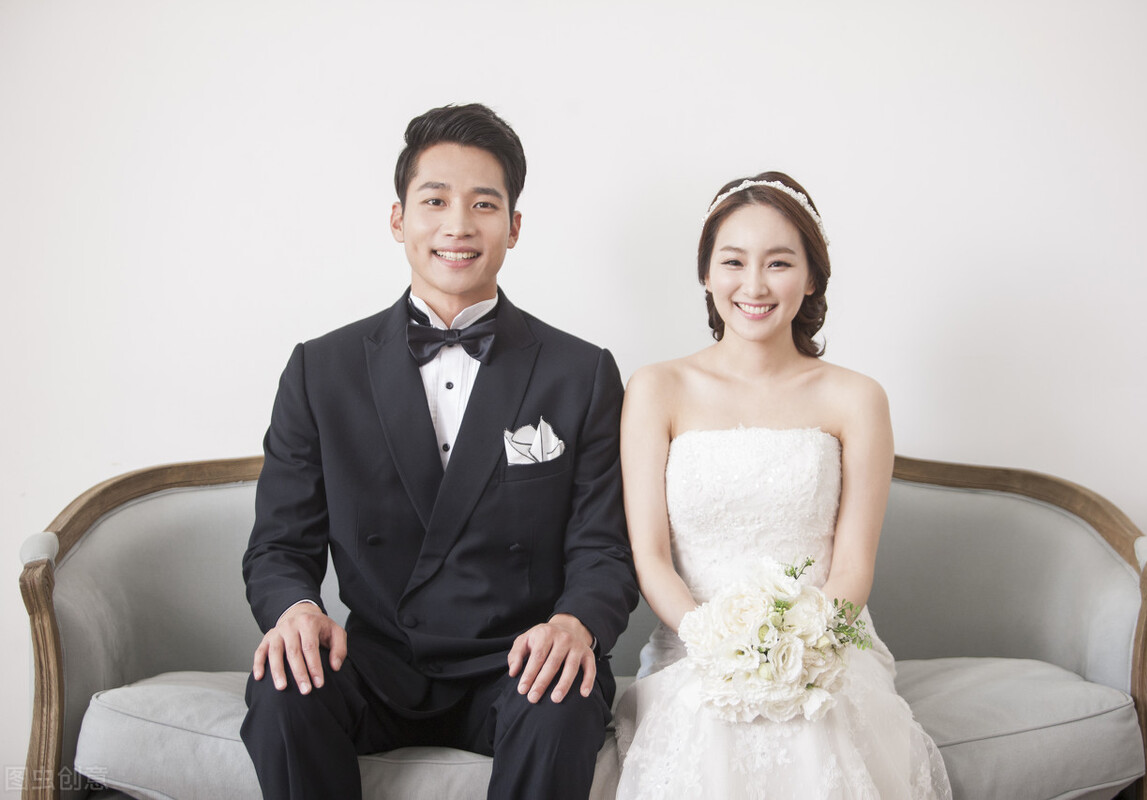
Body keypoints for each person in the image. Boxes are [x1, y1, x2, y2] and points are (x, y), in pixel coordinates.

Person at [240, 103, 639, 800]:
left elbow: (603, 548)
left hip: (522, 660)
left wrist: (575, 623)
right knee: (283, 688)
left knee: (562, 699)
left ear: (514, 226)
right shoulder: (320, 370)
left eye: (484, 204)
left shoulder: (581, 373)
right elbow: (278, 546)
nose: (458, 225)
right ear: (398, 219)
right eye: (435, 201)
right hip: (378, 660)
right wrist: (296, 610)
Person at [613, 172, 952, 798]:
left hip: (825, 644)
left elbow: (853, 566)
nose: (754, 286)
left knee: (809, 720)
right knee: (709, 719)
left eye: (779, 263)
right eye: (733, 262)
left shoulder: (857, 398)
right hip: (693, 644)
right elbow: (651, 557)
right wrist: (718, 647)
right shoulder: (656, 388)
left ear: (812, 277)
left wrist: (806, 647)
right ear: (706, 274)